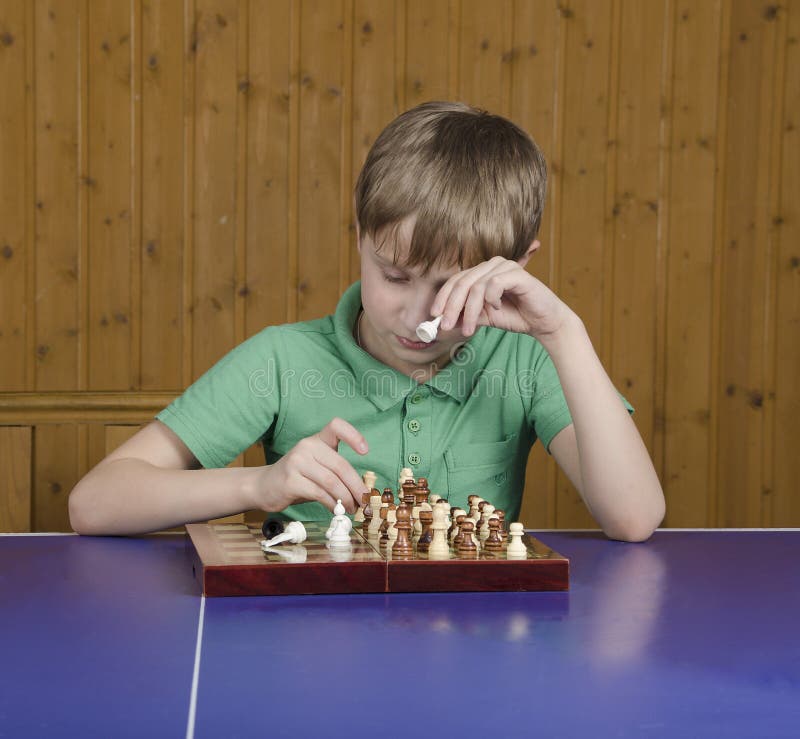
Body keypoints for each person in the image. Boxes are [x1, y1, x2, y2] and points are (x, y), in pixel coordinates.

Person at [69, 101, 665, 541]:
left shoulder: (527, 361)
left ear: (514, 268)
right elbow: (94, 504)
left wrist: (563, 332)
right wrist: (258, 485)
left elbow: (634, 518)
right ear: (361, 236)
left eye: (449, 287)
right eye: (395, 276)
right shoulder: (280, 361)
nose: (416, 315)